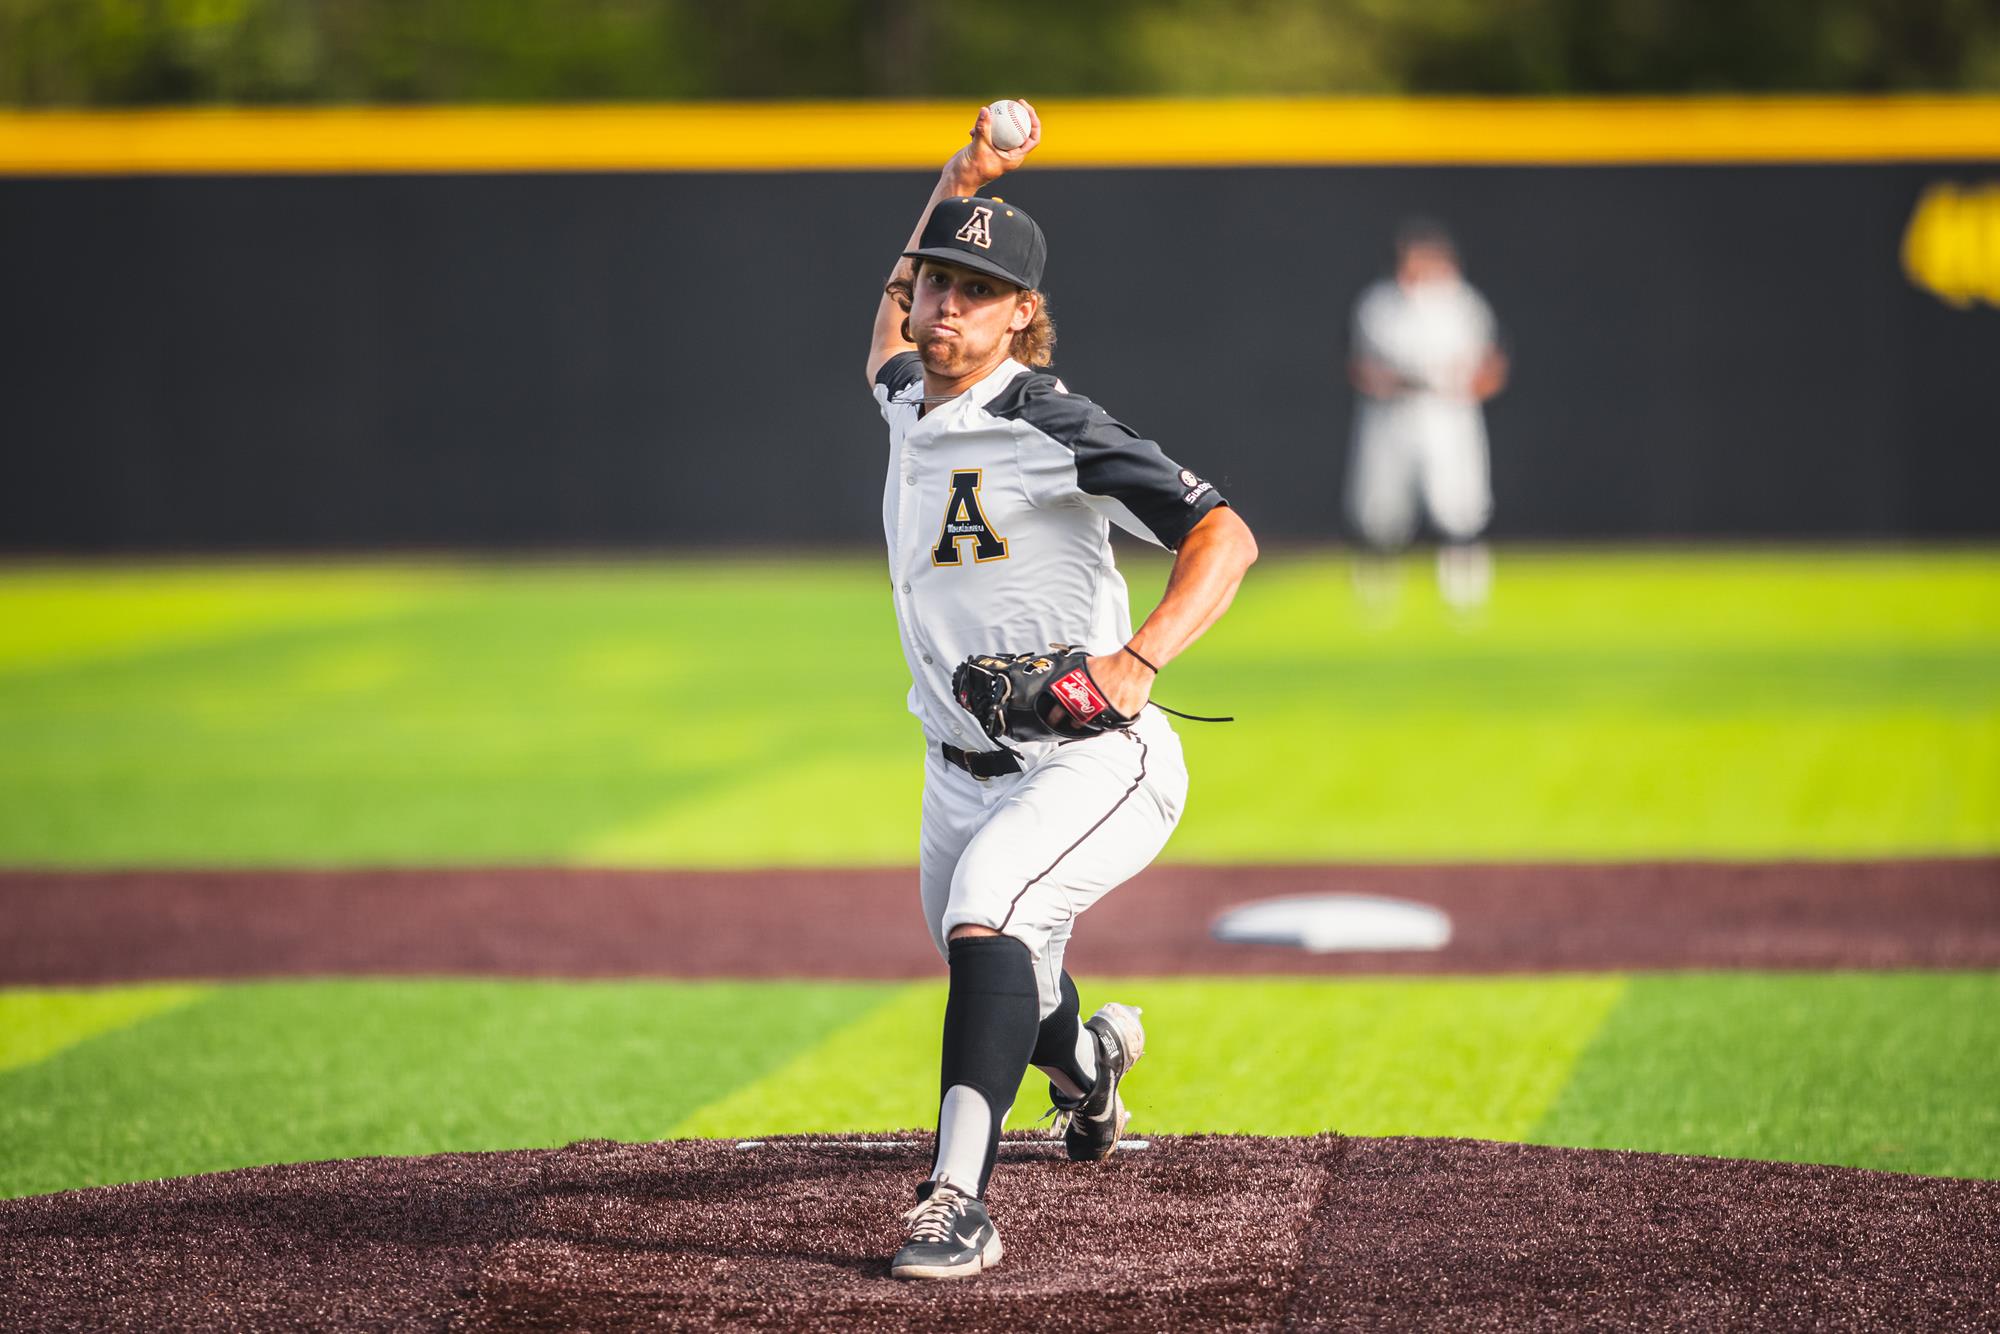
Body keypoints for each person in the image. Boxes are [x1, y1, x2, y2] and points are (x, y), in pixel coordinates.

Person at [864, 102, 1258, 1280]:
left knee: (987, 913)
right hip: (955, 766)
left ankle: (955, 1199)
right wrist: (959, 173)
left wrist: (1134, 661)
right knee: (1010, 969)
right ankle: (1090, 1073)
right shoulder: (901, 396)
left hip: (1093, 756)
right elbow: (882, 318)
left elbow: (1225, 538)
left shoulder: (1047, 419)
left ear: (1019, 312)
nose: (943, 305)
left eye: (972, 290)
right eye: (936, 282)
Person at [1346, 218, 1509, 613]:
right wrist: (1396, 380)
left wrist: (1465, 385)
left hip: (1448, 413)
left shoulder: (1462, 304)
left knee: (1460, 503)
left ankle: (1465, 591)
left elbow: (1492, 364)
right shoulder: (1381, 304)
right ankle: (1377, 595)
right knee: (1381, 506)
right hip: (1392, 414)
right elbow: (1360, 366)